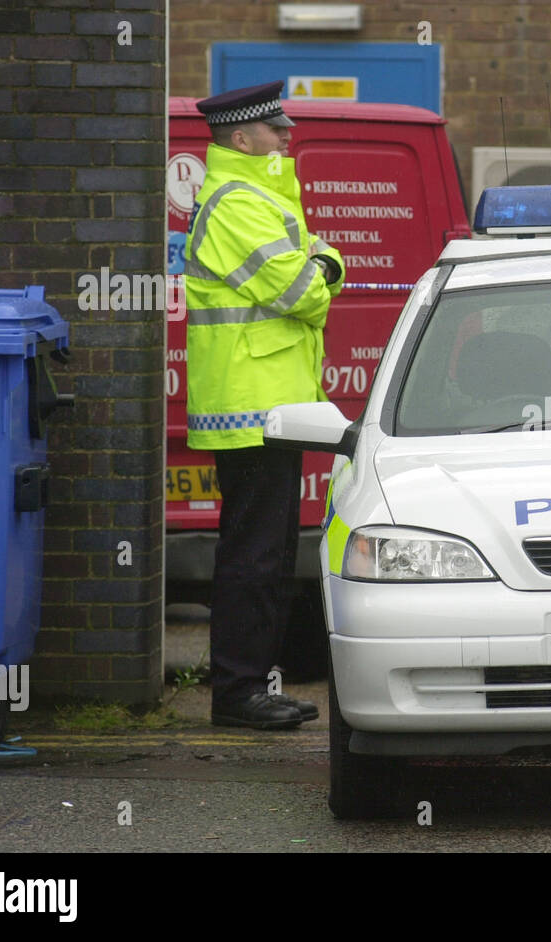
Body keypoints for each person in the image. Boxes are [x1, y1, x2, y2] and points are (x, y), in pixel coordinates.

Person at [184, 81, 345, 729]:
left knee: (271, 555)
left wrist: (320, 262)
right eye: (276, 130)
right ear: (242, 139)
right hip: (249, 411)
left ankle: (254, 687)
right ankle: (238, 692)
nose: (287, 137)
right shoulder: (238, 204)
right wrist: (326, 264)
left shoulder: (261, 198)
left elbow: (312, 269)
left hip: (271, 409)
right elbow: (303, 289)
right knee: (253, 558)